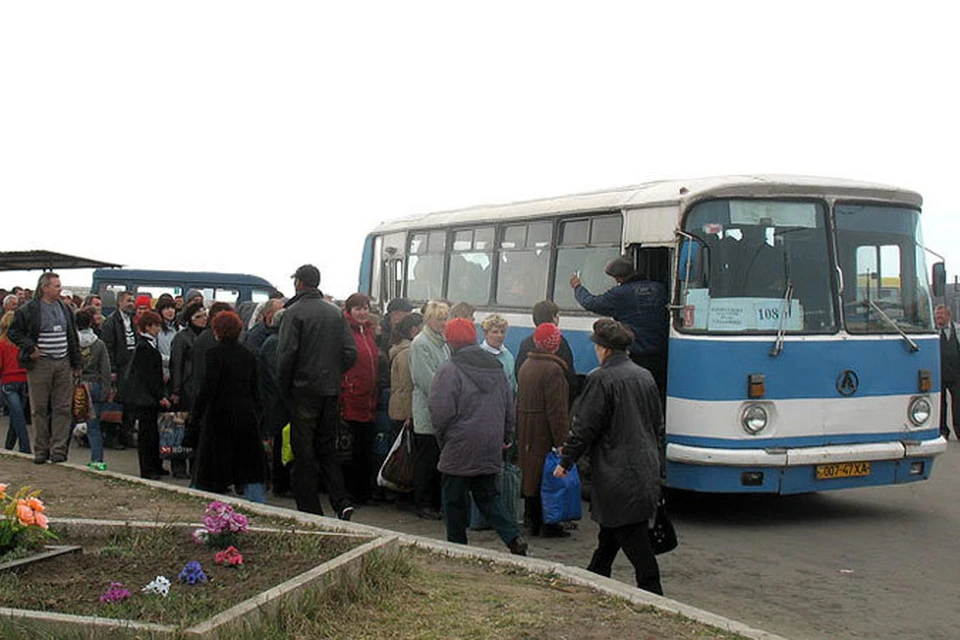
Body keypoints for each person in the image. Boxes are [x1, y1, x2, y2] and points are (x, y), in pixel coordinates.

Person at [553, 318, 665, 595]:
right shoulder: (645, 376)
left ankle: (654, 594)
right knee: (611, 534)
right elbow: (657, 424)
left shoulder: (600, 378)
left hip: (616, 471)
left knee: (632, 536)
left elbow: (585, 426)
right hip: (644, 466)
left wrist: (566, 461)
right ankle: (595, 577)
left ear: (604, 349)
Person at [428, 318, 528, 556]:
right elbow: (508, 404)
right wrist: (506, 434)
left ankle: (457, 546)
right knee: (488, 495)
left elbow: (441, 411)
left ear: (450, 341)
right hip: (490, 440)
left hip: (459, 442)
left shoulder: (449, 369)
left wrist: (442, 437)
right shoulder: (497, 367)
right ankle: (513, 537)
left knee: (453, 498)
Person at [277, 264, 358, 519]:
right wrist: (333, 373)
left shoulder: (293, 312)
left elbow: (286, 355)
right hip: (330, 389)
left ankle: (310, 508)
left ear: (299, 283)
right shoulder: (335, 313)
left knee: (303, 451)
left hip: (303, 389)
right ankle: (341, 501)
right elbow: (350, 352)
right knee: (327, 447)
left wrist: (285, 387)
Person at [188, 311, 267, 501]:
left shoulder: (213, 354)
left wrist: (195, 417)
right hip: (244, 415)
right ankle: (257, 501)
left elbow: (207, 388)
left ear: (217, 330)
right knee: (249, 466)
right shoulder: (248, 355)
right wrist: (259, 415)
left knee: (211, 466)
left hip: (218, 416)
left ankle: (204, 500)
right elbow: (255, 389)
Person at [8, 272, 82, 464]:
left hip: (63, 362)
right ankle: (41, 450)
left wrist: (76, 364)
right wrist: (30, 347)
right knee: (39, 408)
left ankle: (59, 450)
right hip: (40, 363)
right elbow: (13, 332)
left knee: (63, 408)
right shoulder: (28, 310)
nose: (60, 289)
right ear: (44, 288)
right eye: (56, 286)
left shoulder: (65, 309)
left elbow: (72, 336)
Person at [570, 255, 668, 399]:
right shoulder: (659, 288)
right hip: (661, 354)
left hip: (636, 354)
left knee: (633, 397)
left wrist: (577, 287)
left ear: (619, 278)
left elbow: (591, 303)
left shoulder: (620, 294)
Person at [516, 322, 570, 537]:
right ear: (554, 345)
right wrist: (562, 441)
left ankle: (531, 519)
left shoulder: (526, 364)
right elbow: (557, 410)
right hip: (543, 429)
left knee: (530, 473)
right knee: (546, 475)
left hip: (526, 425)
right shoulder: (553, 370)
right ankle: (548, 523)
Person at [409, 300, 451, 519]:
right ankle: (423, 503)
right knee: (426, 460)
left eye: (445, 318)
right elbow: (427, 380)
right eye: (439, 319)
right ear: (428, 320)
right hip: (427, 410)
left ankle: (434, 502)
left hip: (442, 410)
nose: (443, 323)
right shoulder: (421, 344)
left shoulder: (443, 344)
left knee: (437, 459)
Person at [340, 293, 380, 506]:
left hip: (369, 400)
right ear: (349, 311)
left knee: (365, 448)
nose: (362, 312)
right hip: (351, 398)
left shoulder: (368, 332)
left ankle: (363, 492)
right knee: (350, 450)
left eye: (365, 308)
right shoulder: (345, 332)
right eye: (358, 309)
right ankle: (349, 493)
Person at [125, 311, 172, 479]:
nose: (158, 329)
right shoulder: (144, 347)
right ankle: (148, 469)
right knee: (147, 435)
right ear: (147, 327)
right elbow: (148, 376)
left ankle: (156, 465)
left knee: (154, 433)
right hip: (146, 398)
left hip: (148, 396)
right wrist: (160, 396)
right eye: (155, 326)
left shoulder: (148, 345)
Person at [514, 300, 579, 401]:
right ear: (554, 318)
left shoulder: (526, 343)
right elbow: (569, 376)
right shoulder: (560, 343)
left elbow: (518, 372)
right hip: (553, 399)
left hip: (530, 399)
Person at [258, 307, 291, 496]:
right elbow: (275, 375)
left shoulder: (277, 341)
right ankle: (280, 483)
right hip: (276, 402)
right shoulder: (274, 343)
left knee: (282, 442)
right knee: (279, 443)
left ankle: (282, 482)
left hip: (278, 401)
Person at [101, 290, 138, 449]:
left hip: (131, 368)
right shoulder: (111, 322)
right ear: (119, 302)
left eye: (132, 301)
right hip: (119, 367)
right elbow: (108, 347)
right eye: (128, 301)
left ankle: (126, 435)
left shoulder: (131, 320)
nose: (131, 304)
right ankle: (112, 437)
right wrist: (112, 370)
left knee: (130, 404)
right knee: (115, 403)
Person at [76, 308, 112, 470]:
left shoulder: (72, 343)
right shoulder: (99, 344)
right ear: (90, 323)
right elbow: (105, 369)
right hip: (94, 385)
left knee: (64, 422)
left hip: (76, 385)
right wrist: (106, 390)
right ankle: (97, 460)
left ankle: (59, 453)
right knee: (94, 426)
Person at [0, 310, 30, 453]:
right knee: (17, 415)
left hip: (8, 381)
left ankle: (25, 448)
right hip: (24, 380)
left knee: (17, 417)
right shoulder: (24, 342)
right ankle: (9, 447)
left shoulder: (1, 344)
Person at [935, 304, 960, 440]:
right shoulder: (933, 332)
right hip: (939, 375)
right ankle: (943, 431)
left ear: (948, 316)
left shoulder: (958, 330)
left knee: (958, 404)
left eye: (941, 315)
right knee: (940, 405)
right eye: (937, 315)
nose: (938, 318)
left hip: (956, 375)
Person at [479, 313, 517, 396]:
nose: (499, 335)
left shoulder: (508, 356)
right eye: (495, 332)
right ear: (485, 334)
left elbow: (513, 385)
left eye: (502, 332)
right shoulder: (478, 355)